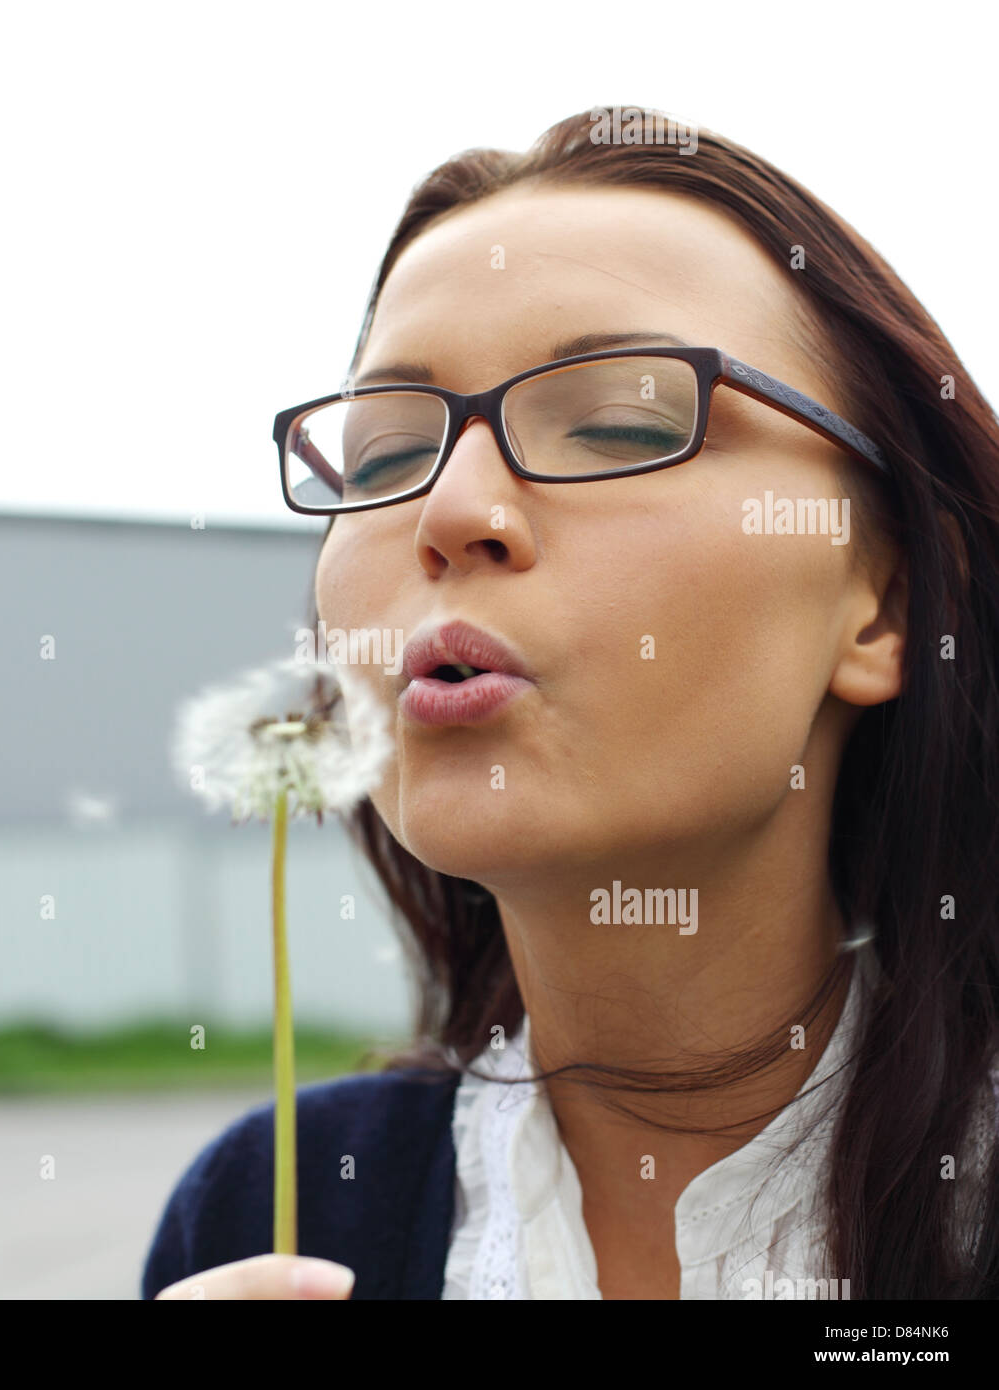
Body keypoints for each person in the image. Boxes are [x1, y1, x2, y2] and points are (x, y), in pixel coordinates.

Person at [144, 106, 999, 1300]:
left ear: (883, 608)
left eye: (614, 423)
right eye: (387, 454)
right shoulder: (273, 1210)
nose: (450, 512)